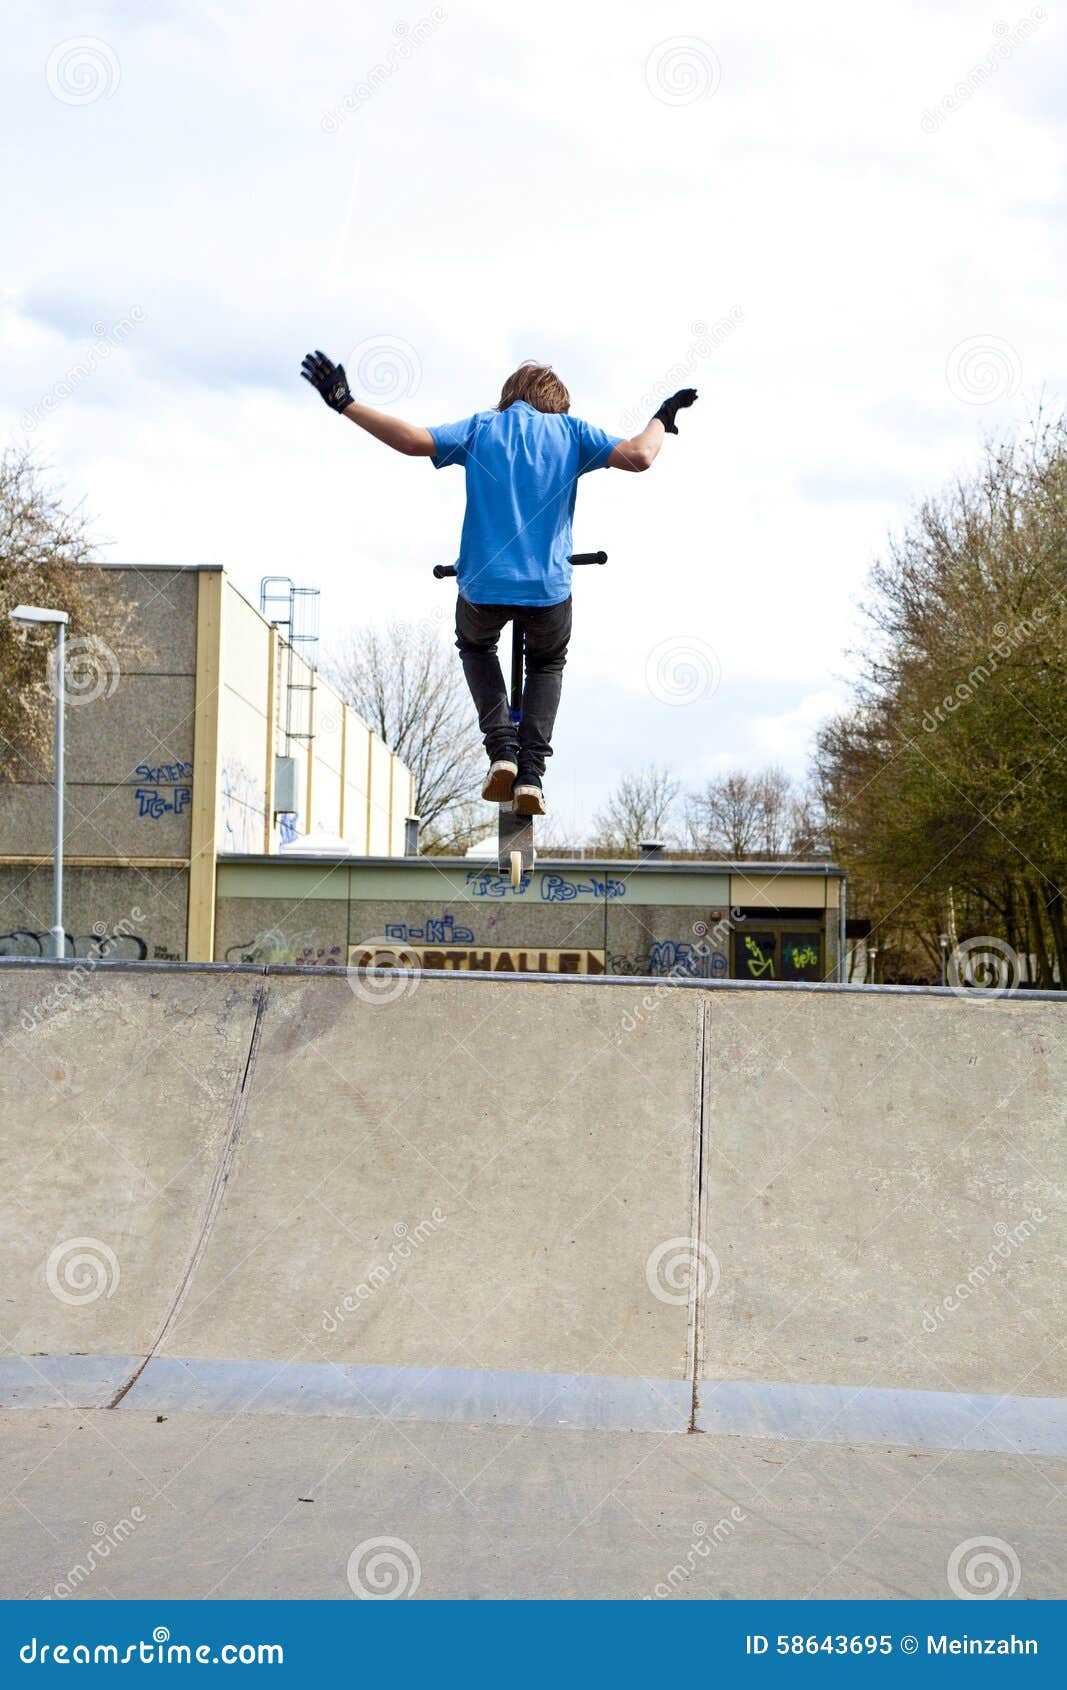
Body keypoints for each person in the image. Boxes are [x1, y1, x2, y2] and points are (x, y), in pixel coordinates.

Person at [300, 352, 697, 815]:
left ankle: (502, 750)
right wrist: (662, 417)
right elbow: (640, 455)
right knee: (547, 662)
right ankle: (531, 774)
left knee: (475, 646)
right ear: (556, 402)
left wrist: (345, 403)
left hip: (482, 588)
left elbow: (409, 441)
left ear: (510, 396)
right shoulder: (572, 433)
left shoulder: (481, 429)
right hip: (546, 590)